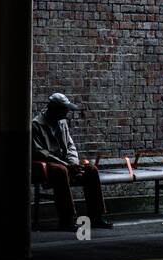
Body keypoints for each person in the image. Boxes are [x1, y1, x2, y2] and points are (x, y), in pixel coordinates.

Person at [32, 92, 113, 230]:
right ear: (54, 109)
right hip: (46, 166)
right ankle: (66, 220)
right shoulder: (36, 125)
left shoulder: (62, 123)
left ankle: (96, 217)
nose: (67, 112)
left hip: (65, 164)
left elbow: (70, 146)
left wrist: (73, 163)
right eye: (65, 109)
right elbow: (41, 153)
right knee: (60, 170)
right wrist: (66, 165)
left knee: (91, 170)